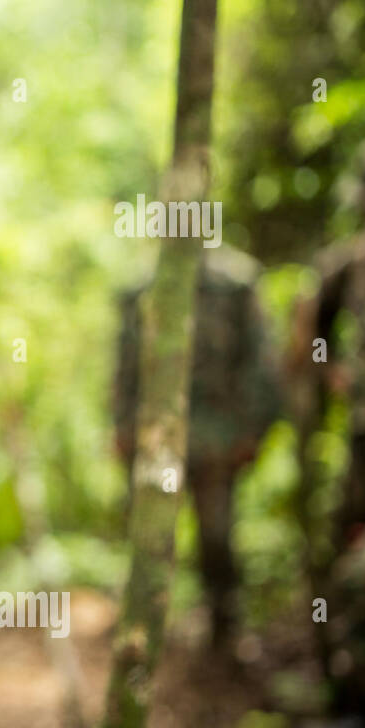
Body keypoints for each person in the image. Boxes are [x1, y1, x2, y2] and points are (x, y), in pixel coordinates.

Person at [113, 245, 281, 651]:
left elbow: (260, 358)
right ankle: (145, 626)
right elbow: (126, 362)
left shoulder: (237, 281)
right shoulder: (142, 286)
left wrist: (253, 429)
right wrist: (121, 425)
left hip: (218, 437)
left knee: (217, 534)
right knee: (152, 535)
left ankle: (224, 626)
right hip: (156, 437)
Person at [291, 138, 365, 728]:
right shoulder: (352, 261)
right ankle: (356, 709)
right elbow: (310, 331)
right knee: (352, 565)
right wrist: (332, 374)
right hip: (364, 445)